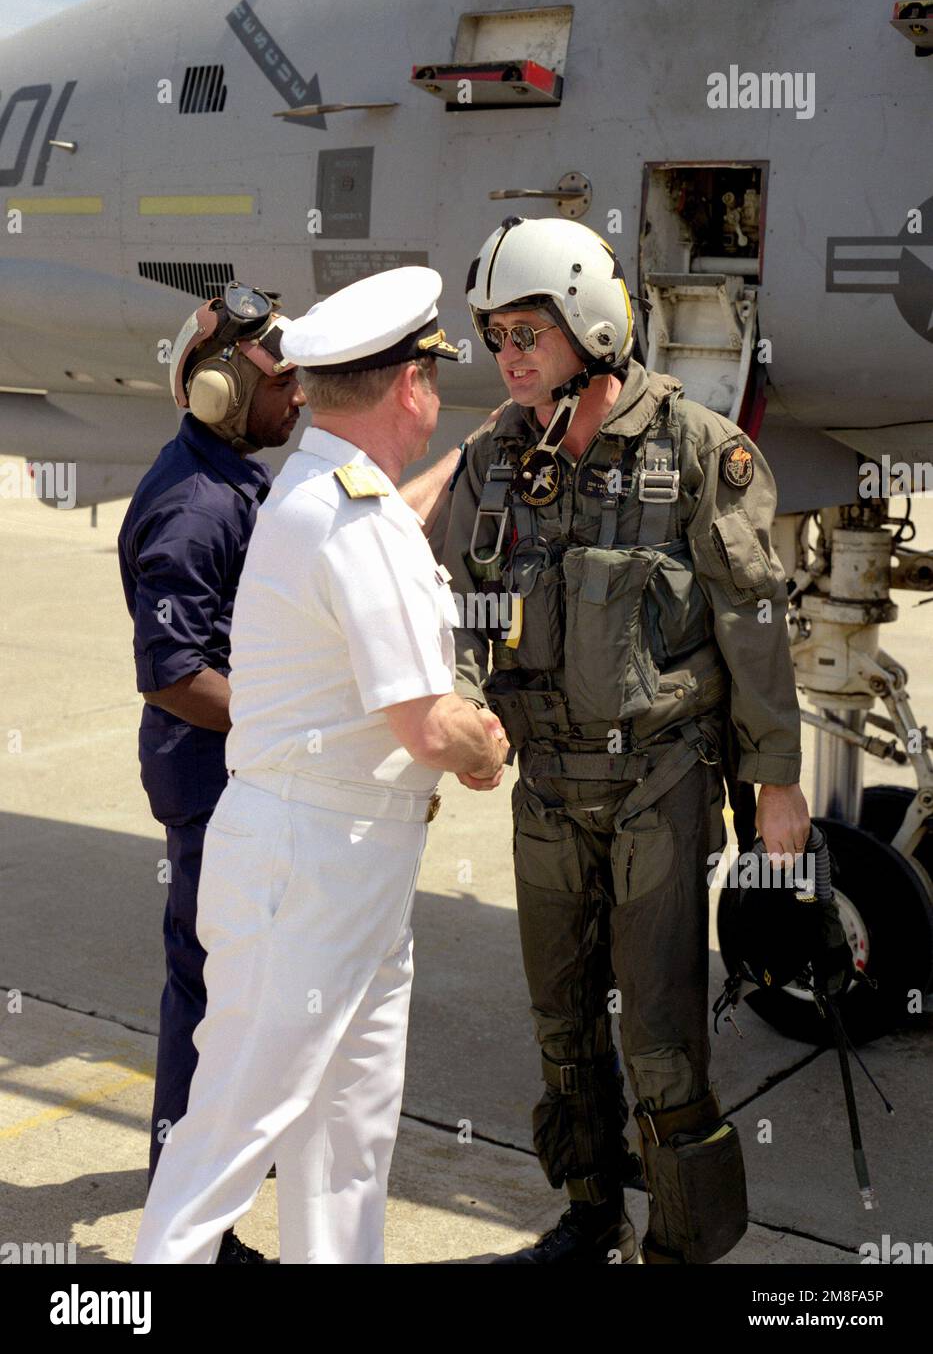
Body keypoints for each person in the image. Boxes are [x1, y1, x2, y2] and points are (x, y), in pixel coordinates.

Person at [442, 216, 811, 1264]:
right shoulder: (494, 462)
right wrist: (461, 705)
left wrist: (774, 781)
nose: (508, 357)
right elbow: (458, 606)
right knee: (562, 1030)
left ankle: (682, 1248)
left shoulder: (698, 449)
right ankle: (591, 1212)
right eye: (496, 337)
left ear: (591, 327)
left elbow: (752, 618)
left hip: (658, 780)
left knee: (658, 1042)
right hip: (546, 790)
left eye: (528, 333)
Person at [132, 265, 509, 1264]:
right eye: (431, 371)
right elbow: (431, 728)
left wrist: (469, 460)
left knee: (346, 1144)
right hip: (312, 868)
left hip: (345, 867)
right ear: (410, 387)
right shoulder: (348, 517)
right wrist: (486, 742)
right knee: (229, 1138)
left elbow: (388, 532)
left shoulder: (324, 490)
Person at [118, 283, 305, 1263]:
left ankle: (206, 1178)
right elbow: (175, 673)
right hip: (214, 783)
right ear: (225, 391)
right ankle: (188, 1228)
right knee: (206, 1006)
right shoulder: (193, 504)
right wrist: (290, 724)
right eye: (283, 378)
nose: (302, 394)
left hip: (243, 776)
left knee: (234, 998)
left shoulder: (231, 477)